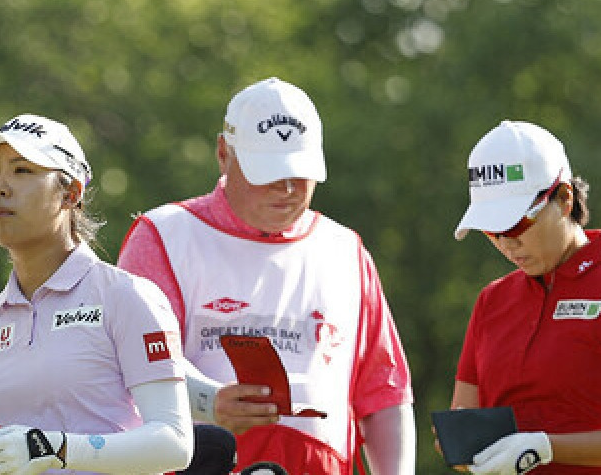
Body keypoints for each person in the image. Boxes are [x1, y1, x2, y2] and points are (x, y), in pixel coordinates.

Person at [118, 77, 416, 475]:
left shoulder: (345, 248)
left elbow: (383, 394)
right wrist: (209, 401)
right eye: (269, 172)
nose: (288, 187)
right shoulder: (164, 234)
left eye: (301, 171)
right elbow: (133, 362)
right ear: (224, 154)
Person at [0, 114, 193, 475]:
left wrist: (52, 449)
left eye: (22, 170)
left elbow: (173, 444)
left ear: (71, 193)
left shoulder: (126, 298)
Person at [449, 120, 601, 475]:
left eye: (516, 225)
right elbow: (464, 428)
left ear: (564, 199)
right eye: (492, 231)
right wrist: (465, 450)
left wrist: (546, 447)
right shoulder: (492, 300)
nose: (506, 243)